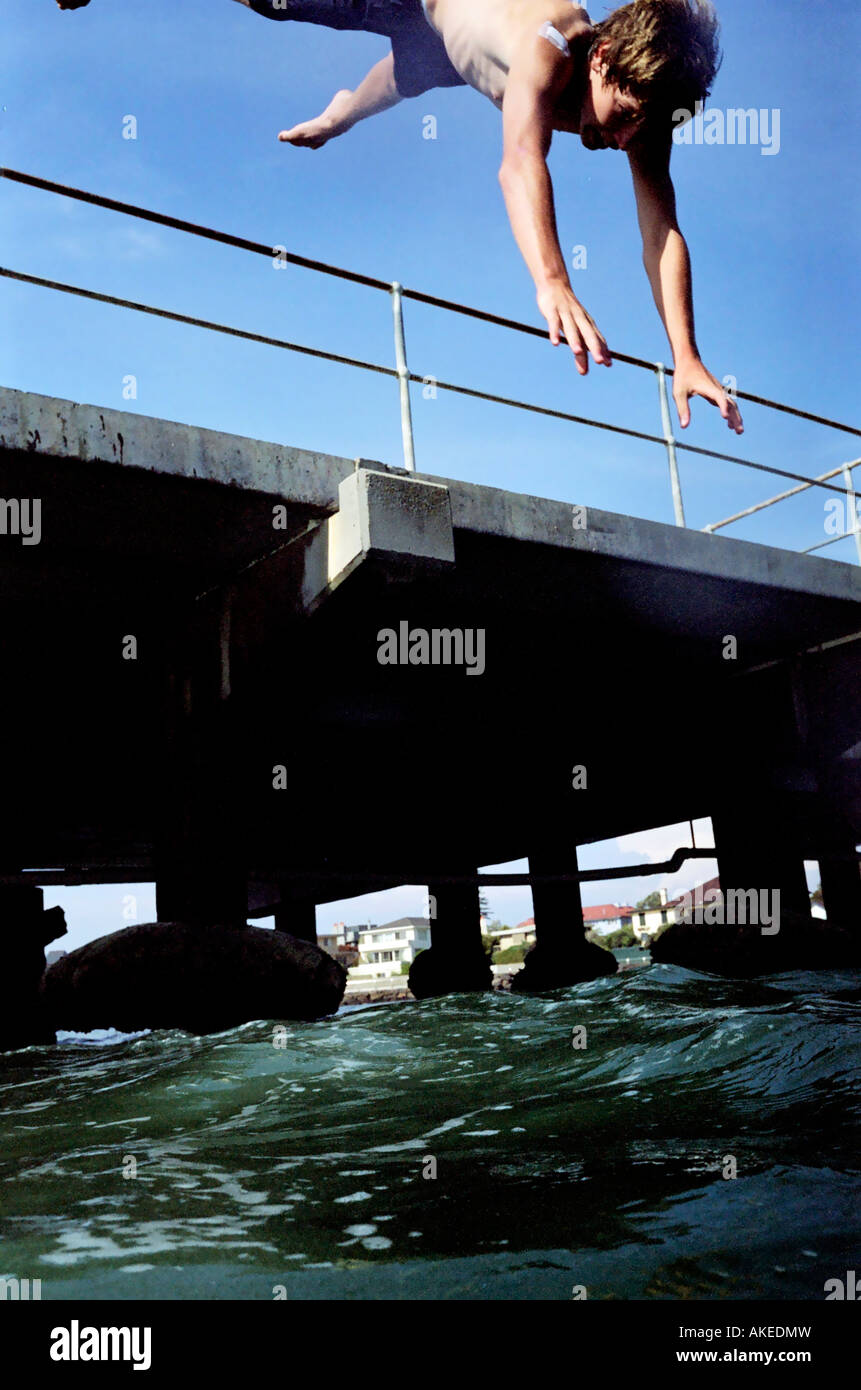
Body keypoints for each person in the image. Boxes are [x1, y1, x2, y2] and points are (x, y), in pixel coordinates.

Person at [56, 0, 743, 434]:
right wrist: (552, 279)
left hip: (442, 52)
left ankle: (337, 113)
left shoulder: (645, 109)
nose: (621, 141)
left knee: (408, 74)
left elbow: (661, 229)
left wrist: (686, 356)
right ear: (601, 58)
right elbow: (519, 163)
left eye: (637, 130)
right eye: (620, 118)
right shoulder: (550, 47)